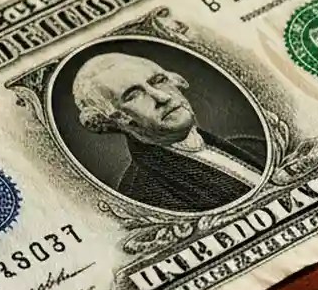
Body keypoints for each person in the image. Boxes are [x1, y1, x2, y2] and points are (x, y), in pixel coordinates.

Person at [72, 52, 266, 212]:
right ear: (110, 120)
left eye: (159, 81)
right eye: (133, 95)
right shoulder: (144, 197)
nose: (162, 97)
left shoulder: (254, 147)